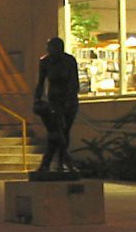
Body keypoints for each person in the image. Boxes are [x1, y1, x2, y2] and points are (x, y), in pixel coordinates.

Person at [33, 36, 79, 173]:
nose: (50, 50)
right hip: (54, 101)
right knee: (56, 133)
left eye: (52, 47)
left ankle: (54, 163)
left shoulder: (69, 60)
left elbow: (74, 82)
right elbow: (41, 83)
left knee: (64, 132)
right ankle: (60, 163)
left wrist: (70, 100)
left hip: (69, 100)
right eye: (49, 48)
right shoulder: (45, 62)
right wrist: (37, 99)